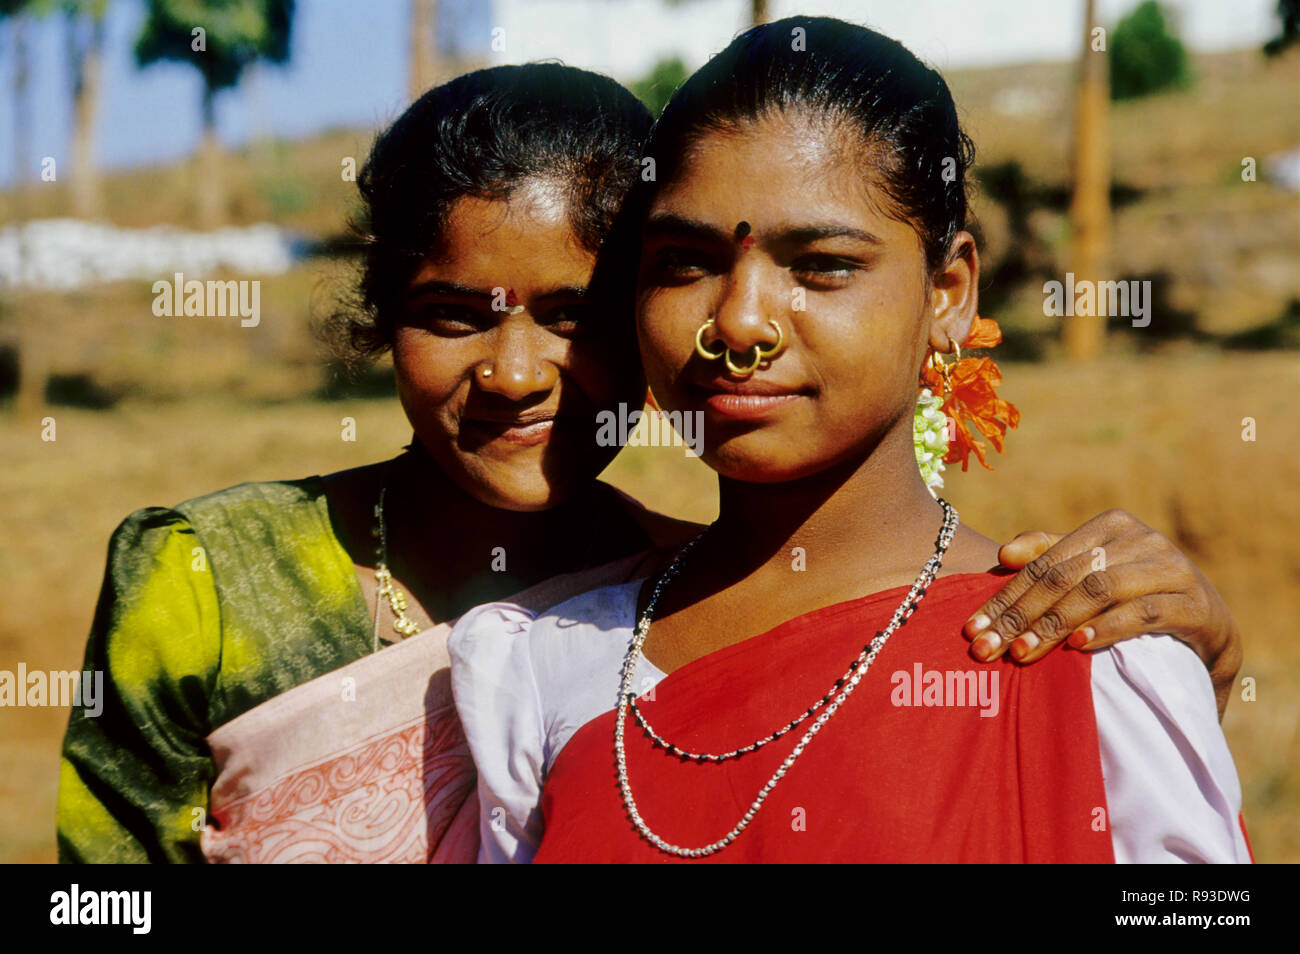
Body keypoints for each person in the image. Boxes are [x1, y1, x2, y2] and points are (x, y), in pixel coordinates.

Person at [449, 19, 1253, 863]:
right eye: (685, 263)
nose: (738, 322)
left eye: (822, 265)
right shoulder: (548, 667)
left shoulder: (1089, 663)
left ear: (947, 294)